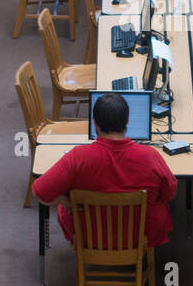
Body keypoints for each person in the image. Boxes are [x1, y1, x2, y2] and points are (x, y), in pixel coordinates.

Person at [32, 93, 179, 251]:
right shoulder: (150, 156)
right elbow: (170, 193)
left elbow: (40, 192)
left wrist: (67, 201)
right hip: (140, 235)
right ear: (127, 121)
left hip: (89, 236)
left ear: (95, 123)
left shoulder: (78, 157)